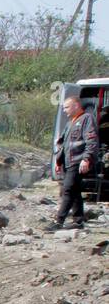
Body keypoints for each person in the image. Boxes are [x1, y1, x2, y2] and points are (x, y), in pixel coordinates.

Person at [49, 96, 100, 230]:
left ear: (76, 106)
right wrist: (58, 162)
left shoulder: (87, 119)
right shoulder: (70, 123)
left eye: (67, 107)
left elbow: (92, 141)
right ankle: (78, 221)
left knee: (67, 190)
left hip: (78, 161)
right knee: (75, 191)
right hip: (68, 162)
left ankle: (58, 221)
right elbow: (64, 145)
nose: (64, 110)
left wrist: (86, 158)